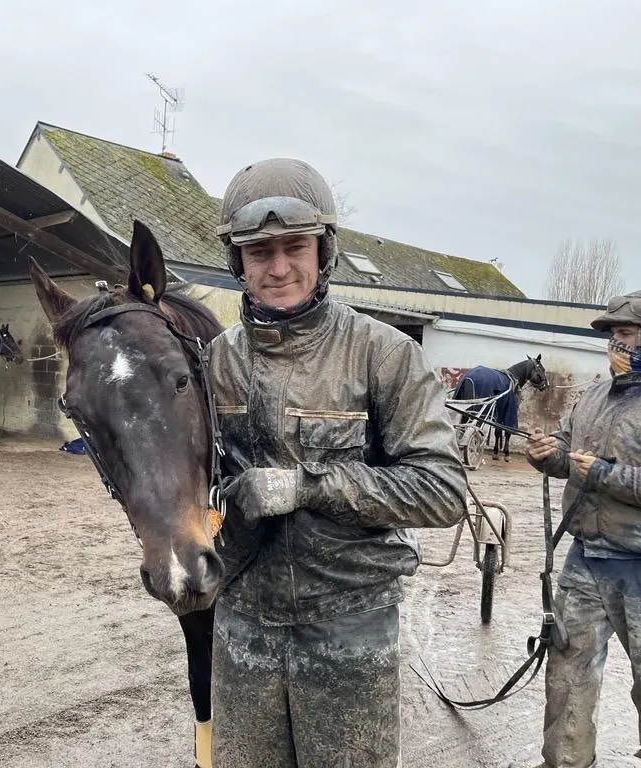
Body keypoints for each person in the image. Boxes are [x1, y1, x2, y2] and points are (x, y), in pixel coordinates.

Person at [206, 157, 468, 767]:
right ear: (237, 261)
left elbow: (441, 490)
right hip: (243, 621)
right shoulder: (214, 361)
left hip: (350, 623)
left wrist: (306, 487)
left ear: (324, 251)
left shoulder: (383, 353)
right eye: (259, 252)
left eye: (294, 247)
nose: (278, 268)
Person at [526, 291, 641, 768]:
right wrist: (548, 455)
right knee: (568, 672)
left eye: (624, 334)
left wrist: (606, 474)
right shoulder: (595, 395)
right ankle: (566, 761)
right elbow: (567, 451)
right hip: (586, 557)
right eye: (612, 335)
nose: (613, 344)